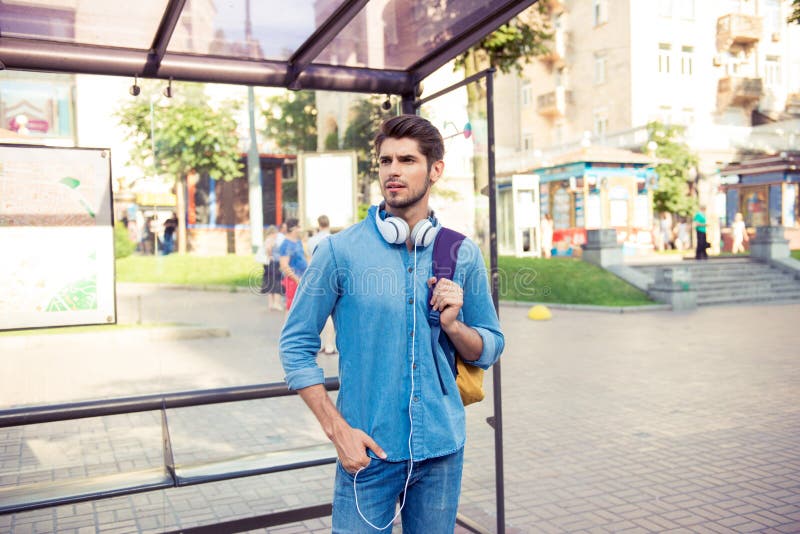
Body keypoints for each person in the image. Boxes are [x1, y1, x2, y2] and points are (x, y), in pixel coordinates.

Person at [279, 115, 504, 533]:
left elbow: (490, 345)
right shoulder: (339, 252)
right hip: (367, 454)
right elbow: (295, 345)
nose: (393, 171)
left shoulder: (461, 253)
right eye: (385, 161)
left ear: (435, 169)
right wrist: (337, 430)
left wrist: (455, 327)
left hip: (441, 450)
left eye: (407, 160)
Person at [306, 215, 336, 354]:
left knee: (317, 312)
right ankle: (329, 345)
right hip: (332, 277)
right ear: (329, 224)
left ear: (318, 224)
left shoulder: (312, 240)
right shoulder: (334, 239)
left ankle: (320, 343)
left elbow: (309, 262)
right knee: (330, 313)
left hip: (315, 277)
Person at [278, 218, 307, 311]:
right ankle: (288, 326)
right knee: (291, 309)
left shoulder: (298, 241)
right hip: (293, 280)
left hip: (302, 278)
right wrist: (297, 280)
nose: (301, 229)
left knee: (302, 308)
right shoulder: (286, 244)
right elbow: (284, 266)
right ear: (294, 228)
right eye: (299, 227)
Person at [260, 225, 284, 310]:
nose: (277, 235)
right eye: (276, 233)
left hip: (268, 264)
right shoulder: (271, 240)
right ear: (273, 233)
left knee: (270, 283)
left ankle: (271, 304)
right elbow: (268, 248)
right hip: (274, 263)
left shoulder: (266, 239)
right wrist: (270, 255)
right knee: (277, 282)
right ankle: (276, 303)